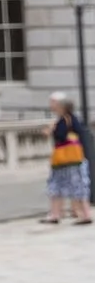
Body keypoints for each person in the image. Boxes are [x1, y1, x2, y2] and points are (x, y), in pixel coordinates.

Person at [42, 91, 91, 225]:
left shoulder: (64, 121)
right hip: (74, 159)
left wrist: (51, 131)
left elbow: (62, 136)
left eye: (53, 103)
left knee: (58, 185)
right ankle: (81, 213)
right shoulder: (72, 119)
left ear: (60, 106)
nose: (51, 105)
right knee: (76, 185)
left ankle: (58, 214)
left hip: (65, 160)